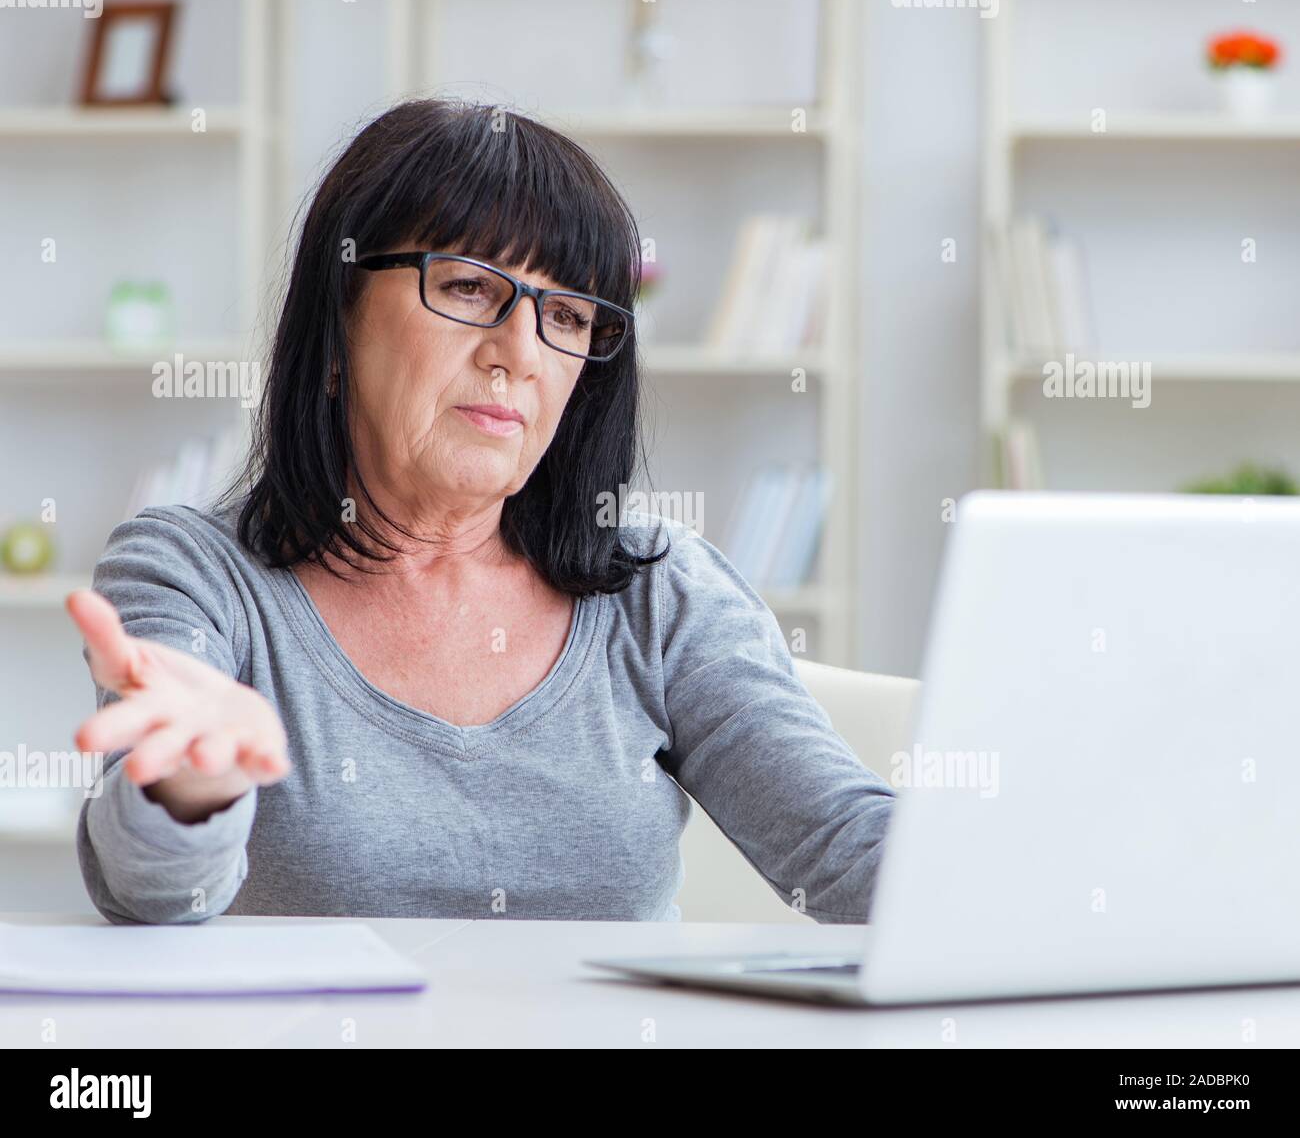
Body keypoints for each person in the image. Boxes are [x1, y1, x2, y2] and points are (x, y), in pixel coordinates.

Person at [70, 98, 895, 925]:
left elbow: (852, 849)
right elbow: (150, 897)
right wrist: (187, 790)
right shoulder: (193, 574)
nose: (522, 355)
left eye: (567, 314)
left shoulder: (658, 590)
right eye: (467, 286)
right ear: (336, 328)